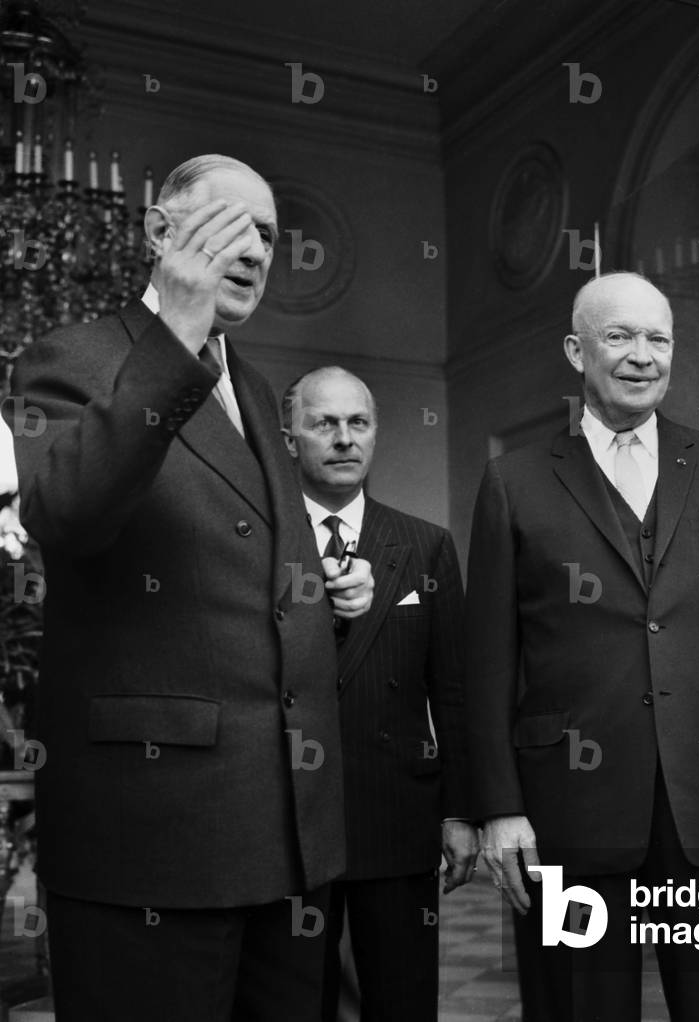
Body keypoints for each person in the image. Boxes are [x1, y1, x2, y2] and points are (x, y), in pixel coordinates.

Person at [2, 154, 373, 1022]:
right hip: (152, 841)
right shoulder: (72, 357)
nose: (254, 249)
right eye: (228, 225)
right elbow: (69, 512)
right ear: (160, 234)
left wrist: (324, 590)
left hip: (288, 843)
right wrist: (173, 331)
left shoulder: (251, 386)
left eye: (269, 236)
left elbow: (238, 563)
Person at [463, 271, 699, 1021]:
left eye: (658, 337)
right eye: (619, 336)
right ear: (576, 350)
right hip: (566, 810)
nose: (642, 355)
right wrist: (498, 806)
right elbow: (486, 660)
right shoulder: (513, 482)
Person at [281, 366, 478, 1022]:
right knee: (291, 1001)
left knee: (402, 999)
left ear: (375, 434)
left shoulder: (427, 546)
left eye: (357, 423)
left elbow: (454, 690)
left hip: (396, 813)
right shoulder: (260, 542)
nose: (343, 438)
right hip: (283, 819)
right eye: (324, 423)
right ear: (290, 438)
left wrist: (459, 812)